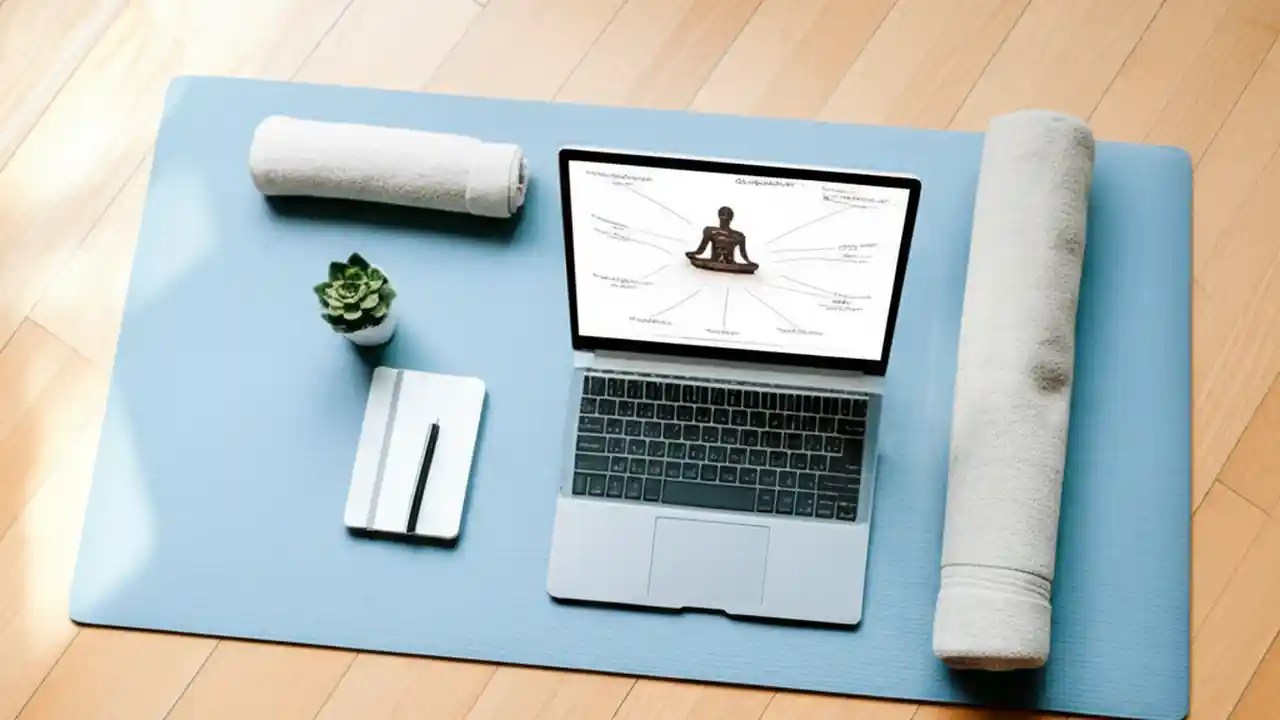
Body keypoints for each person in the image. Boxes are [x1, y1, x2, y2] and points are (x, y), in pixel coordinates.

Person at [685, 206, 758, 273]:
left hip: (729, 264)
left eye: (726, 219)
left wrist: (750, 263)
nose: (724, 221)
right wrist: (693, 254)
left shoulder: (738, 236)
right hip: (716, 263)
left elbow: (743, 254)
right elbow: (701, 250)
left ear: (730, 219)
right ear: (719, 217)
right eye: (722, 218)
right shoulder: (710, 231)